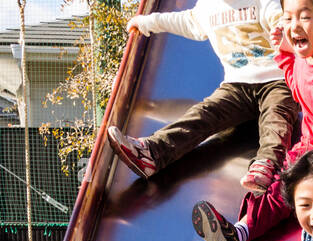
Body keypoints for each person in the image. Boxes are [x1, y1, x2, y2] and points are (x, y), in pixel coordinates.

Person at [191, 0, 313, 241]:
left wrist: (307, 178)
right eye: (287, 18)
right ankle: (236, 234)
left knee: (293, 189)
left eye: (304, 17)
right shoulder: (302, 60)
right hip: (308, 145)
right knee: (268, 185)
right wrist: (285, 49)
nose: (293, 25)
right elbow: (293, 76)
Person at [108, 1, 297, 195]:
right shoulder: (208, 6)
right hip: (237, 84)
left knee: (277, 117)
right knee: (205, 113)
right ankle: (153, 152)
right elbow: (184, 21)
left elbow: (283, 22)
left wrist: (285, 33)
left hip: (278, 77)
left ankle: (268, 164)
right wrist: (147, 22)